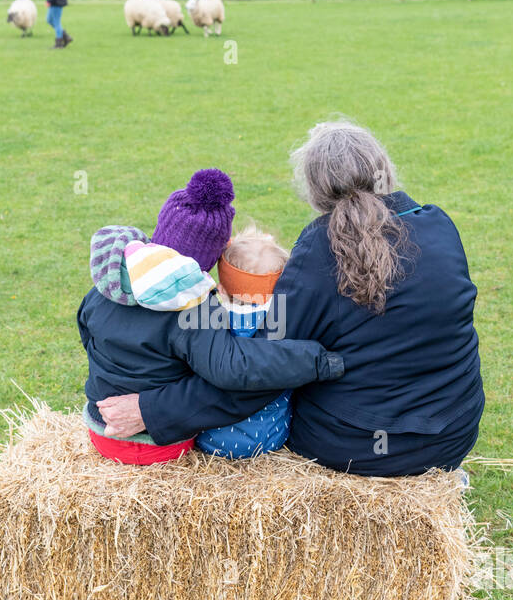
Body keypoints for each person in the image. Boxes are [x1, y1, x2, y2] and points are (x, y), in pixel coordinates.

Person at [98, 119, 484, 479]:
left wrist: (151, 410)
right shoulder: (439, 223)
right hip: (454, 435)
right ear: (385, 168)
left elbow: (261, 372)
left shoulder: (319, 247)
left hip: (353, 445)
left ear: (315, 191)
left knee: (284, 385)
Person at [77, 169, 344, 465]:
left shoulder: (107, 282)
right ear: (210, 259)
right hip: (157, 443)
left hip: (100, 428)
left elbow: (86, 332)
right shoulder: (192, 307)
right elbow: (232, 368)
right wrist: (316, 359)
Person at [196, 227, 293, 459]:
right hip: (271, 438)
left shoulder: (206, 320)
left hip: (210, 439)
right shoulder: (288, 321)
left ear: (221, 289)